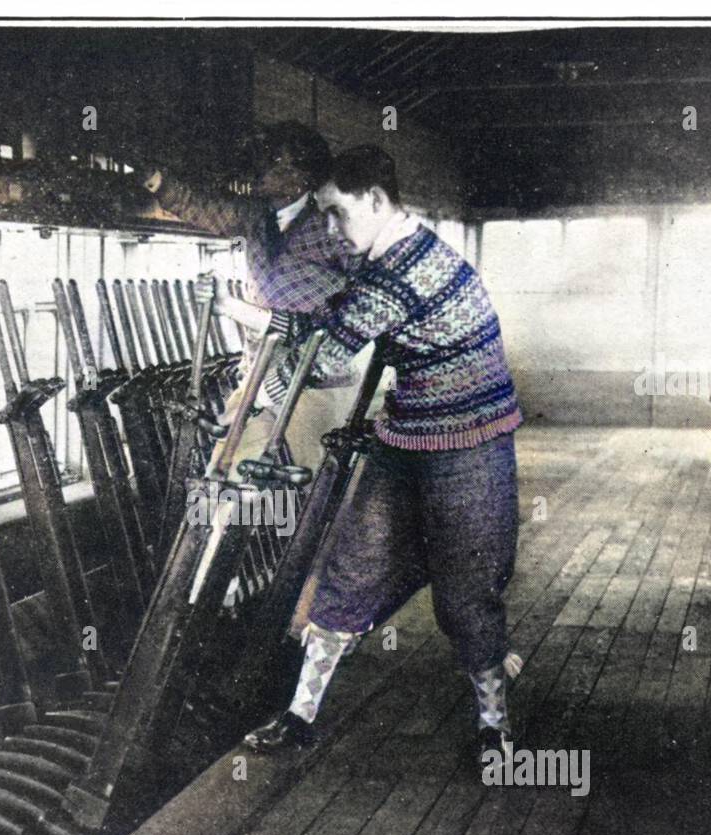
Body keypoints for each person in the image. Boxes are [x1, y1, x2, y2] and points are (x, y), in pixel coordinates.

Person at [210, 145, 524, 762]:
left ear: (377, 201)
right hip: (408, 429)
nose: (329, 229)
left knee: (466, 595)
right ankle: (299, 717)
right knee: (350, 571)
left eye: (336, 214)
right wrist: (270, 322)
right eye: (320, 216)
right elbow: (334, 318)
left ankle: (495, 729)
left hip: (473, 439)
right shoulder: (390, 253)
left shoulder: (402, 268)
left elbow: (326, 358)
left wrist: (247, 321)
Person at [142, 121, 366, 475]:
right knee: (223, 475)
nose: (261, 168)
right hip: (259, 373)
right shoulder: (254, 216)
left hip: (318, 382)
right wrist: (155, 178)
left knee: (300, 483)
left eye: (276, 161)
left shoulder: (334, 226)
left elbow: (362, 300)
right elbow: (201, 206)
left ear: (302, 177)